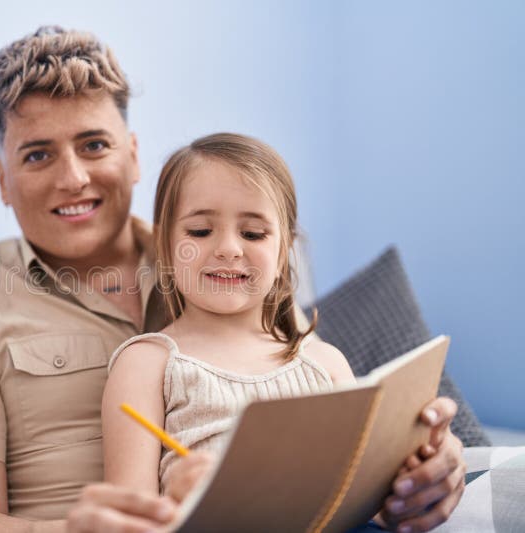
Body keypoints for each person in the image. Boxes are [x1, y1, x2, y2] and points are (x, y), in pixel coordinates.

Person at [0, 26, 466, 533]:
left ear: (133, 153)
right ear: (2, 178)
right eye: (38, 155)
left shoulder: (228, 268)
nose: (73, 178)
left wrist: (412, 480)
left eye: (94, 145)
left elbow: (330, 439)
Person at [102, 133, 454, 531]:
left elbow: (371, 502)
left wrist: (415, 459)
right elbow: (127, 520)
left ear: (285, 246)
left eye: (253, 234)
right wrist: (182, 501)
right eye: (200, 231)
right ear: (166, 243)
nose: (229, 249)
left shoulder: (325, 362)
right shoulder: (146, 363)